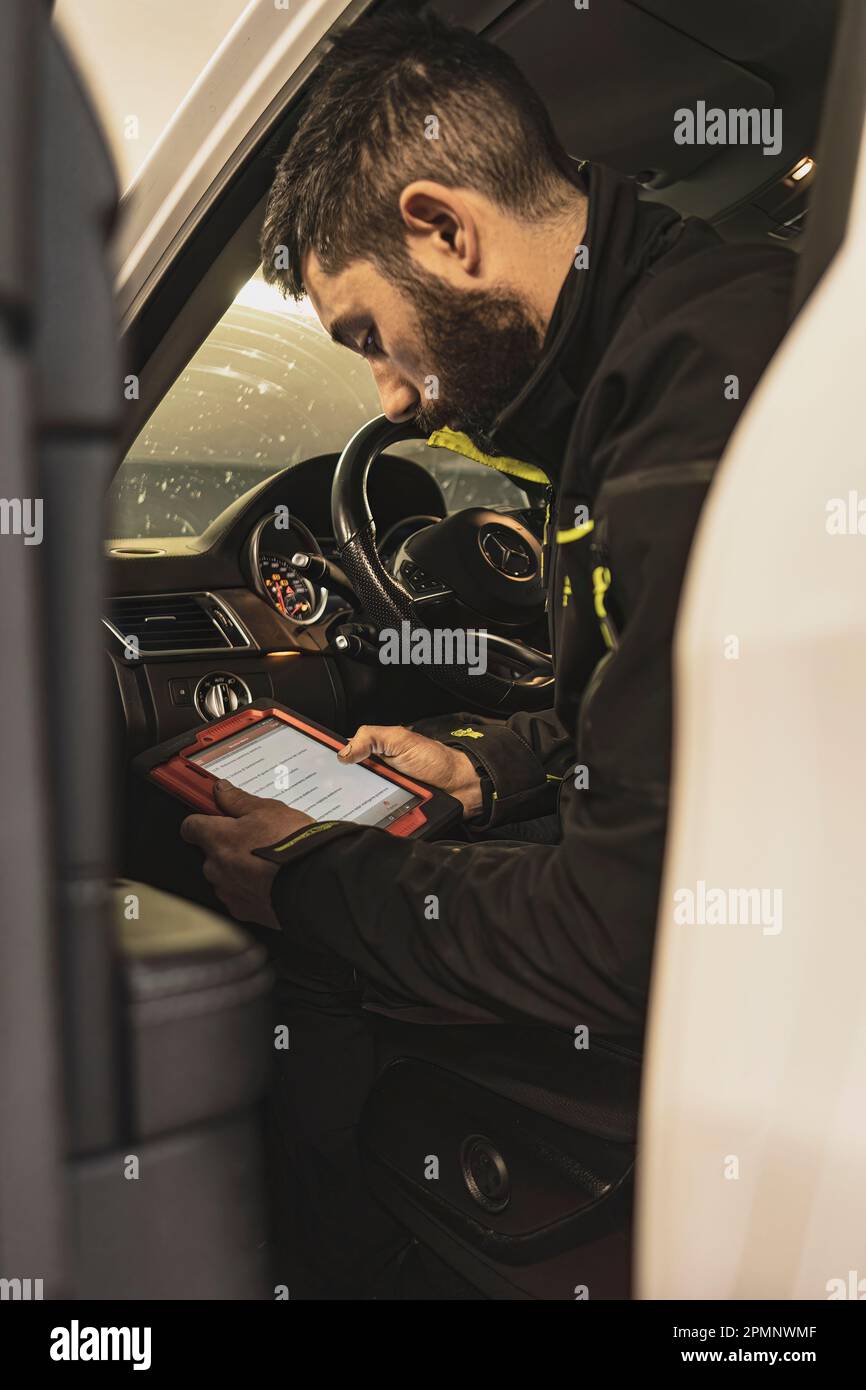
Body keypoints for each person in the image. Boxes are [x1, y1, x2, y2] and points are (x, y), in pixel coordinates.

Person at [180, 11, 795, 1296]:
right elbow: (664, 731)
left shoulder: (690, 401)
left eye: (361, 334)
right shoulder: (664, 349)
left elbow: (621, 933)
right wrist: (481, 773)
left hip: (753, 1016)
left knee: (323, 1010)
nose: (388, 397)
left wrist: (305, 892)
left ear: (444, 230)